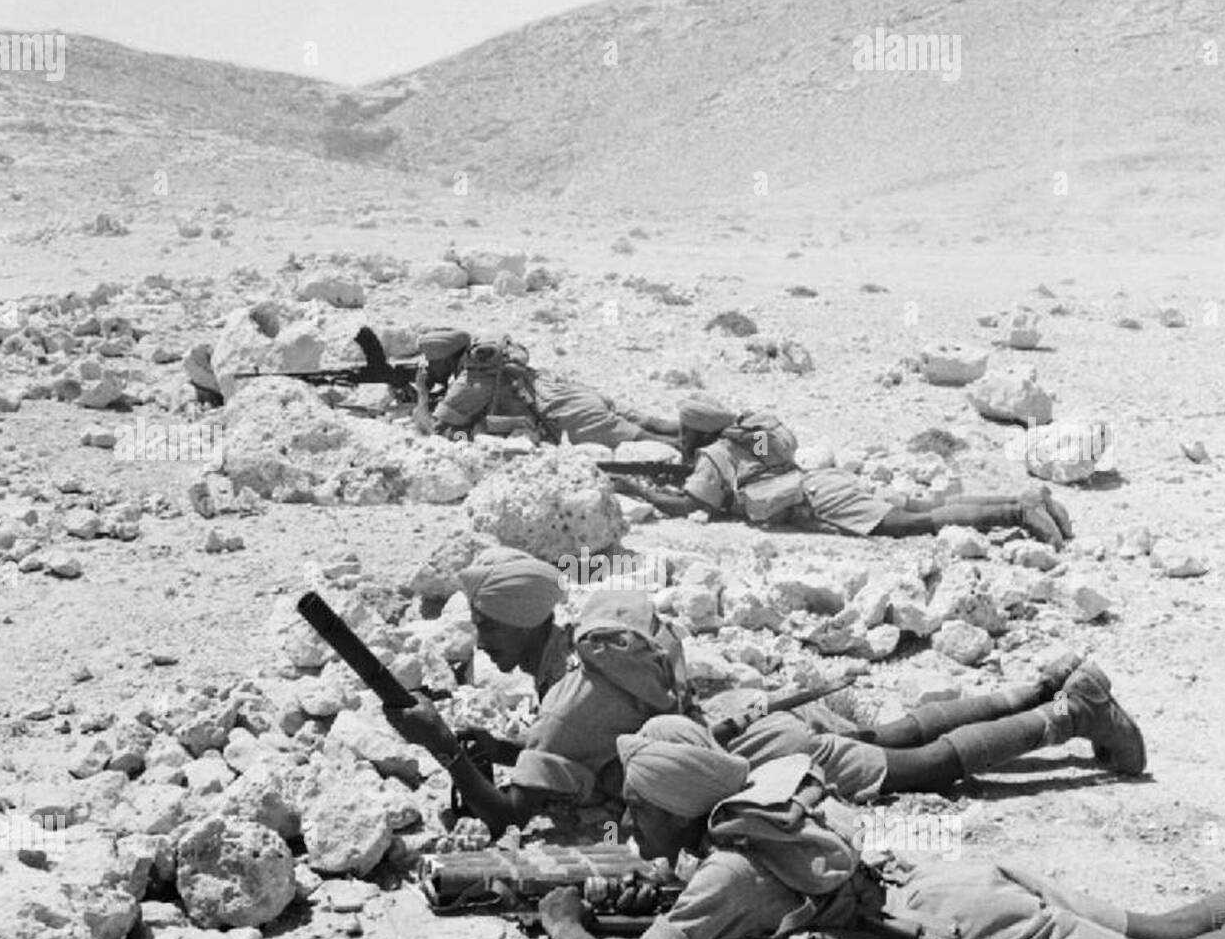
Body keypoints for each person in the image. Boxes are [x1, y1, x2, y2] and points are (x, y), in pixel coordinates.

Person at [537, 717, 1225, 939]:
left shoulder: (725, 874)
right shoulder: (761, 801)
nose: (627, 821)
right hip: (948, 886)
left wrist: (566, 923)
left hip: (959, 926)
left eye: (636, 807)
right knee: (1170, 926)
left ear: (673, 806)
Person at [384, 550, 691, 836]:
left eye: (490, 628)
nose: (479, 643)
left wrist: (441, 743)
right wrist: (501, 750)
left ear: (525, 623)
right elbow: (572, 745)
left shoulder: (565, 701)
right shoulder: (566, 653)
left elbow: (508, 818)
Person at [617, 396, 1072, 549]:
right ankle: (1020, 501)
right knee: (922, 504)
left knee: (911, 525)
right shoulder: (743, 438)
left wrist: (637, 491)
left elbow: (692, 506)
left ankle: (1016, 513)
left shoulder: (716, 455)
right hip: (823, 481)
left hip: (816, 498)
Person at [726, 651, 1147, 796]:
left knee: (927, 766)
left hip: (743, 759)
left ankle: (1074, 712)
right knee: (889, 738)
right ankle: (1043, 693)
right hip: (733, 723)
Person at [430, 336, 679, 447]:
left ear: (444, 360)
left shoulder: (469, 381)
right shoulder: (494, 360)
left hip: (567, 413)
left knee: (649, 440)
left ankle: (694, 454)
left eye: (432, 363)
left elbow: (436, 429)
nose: (429, 368)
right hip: (573, 393)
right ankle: (706, 432)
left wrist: (421, 394)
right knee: (656, 423)